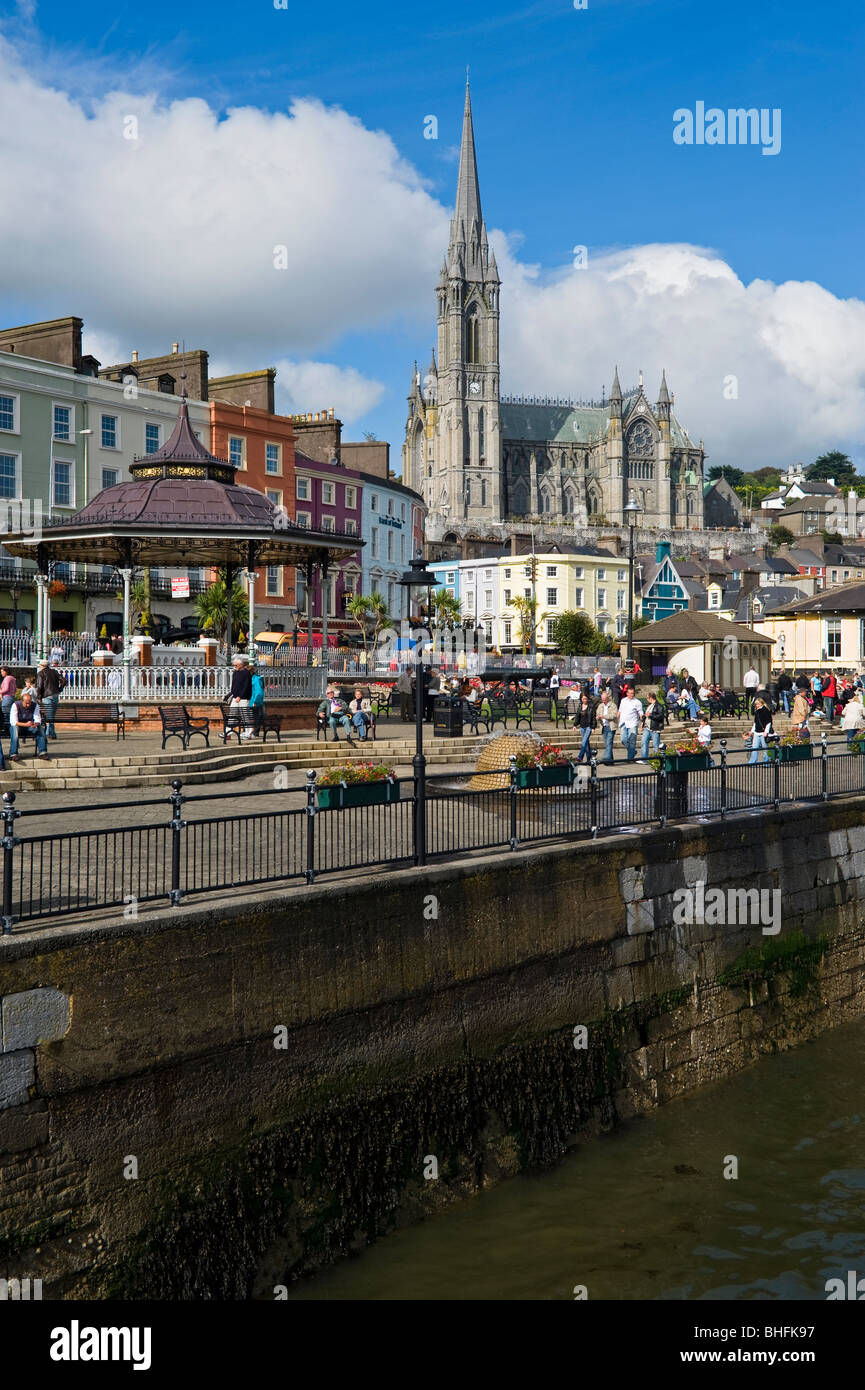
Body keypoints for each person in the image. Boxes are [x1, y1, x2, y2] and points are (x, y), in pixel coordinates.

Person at [9, 691, 48, 761]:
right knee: (14, 729)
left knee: (39, 729)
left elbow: (37, 718)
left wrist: (35, 723)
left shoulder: (35, 705)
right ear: (22, 701)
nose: (28, 704)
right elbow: (13, 722)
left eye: (29, 702)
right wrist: (25, 724)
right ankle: (13, 753)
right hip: (19, 727)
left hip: (29, 726)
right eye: (26, 703)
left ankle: (42, 752)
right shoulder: (15, 705)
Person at [35, 658, 65, 741]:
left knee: (49, 716)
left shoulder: (41, 673)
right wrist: (60, 689)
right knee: (51, 715)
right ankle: (50, 732)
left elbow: (39, 686)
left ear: (42, 666)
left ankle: (50, 733)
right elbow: (64, 680)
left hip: (47, 696)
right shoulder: (54, 672)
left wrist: (39, 697)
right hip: (55, 695)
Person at [618, 685, 643, 763]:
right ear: (627, 693)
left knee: (632, 741)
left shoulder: (637, 702)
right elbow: (620, 711)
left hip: (632, 723)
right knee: (623, 740)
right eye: (630, 693)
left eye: (633, 693)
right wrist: (616, 719)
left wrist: (642, 720)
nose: (631, 695)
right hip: (623, 723)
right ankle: (632, 751)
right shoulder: (623, 700)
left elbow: (640, 712)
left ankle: (630, 758)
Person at [745, 696, 774, 764]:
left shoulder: (766, 710)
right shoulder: (757, 711)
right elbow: (756, 723)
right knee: (754, 748)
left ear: (761, 703)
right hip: (757, 732)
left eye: (758, 704)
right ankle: (752, 762)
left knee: (765, 749)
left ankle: (766, 762)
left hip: (763, 732)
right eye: (756, 704)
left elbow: (768, 722)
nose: (756, 706)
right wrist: (752, 731)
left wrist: (766, 732)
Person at [638, 692, 665, 762]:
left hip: (655, 729)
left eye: (647, 698)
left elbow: (661, 716)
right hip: (647, 728)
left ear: (650, 698)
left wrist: (650, 715)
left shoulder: (659, 706)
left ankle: (656, 760)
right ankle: (644, 759)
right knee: (644, 743)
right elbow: (646, 715)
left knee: (655, 745)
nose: (647, 700)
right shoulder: (649, 706)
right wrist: (642, 723)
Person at [596, 688, 618, 764]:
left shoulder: (613, 705)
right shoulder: (600, 706)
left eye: (604, 699)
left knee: (608, 743)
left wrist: (604, 716)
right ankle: (611, 761)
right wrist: (598, 717)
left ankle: (606, 760)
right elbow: (598, 713)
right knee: (607, 744)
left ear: (608, 698)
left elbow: (614, 715)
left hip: (611, 727)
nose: (603, 701)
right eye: (602, 699)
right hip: (604, 727)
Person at [573, 692, 596, 763]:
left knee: (584, 742)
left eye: (586, 699)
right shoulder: (580, 706)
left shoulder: (591, 707)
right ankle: (589, 758)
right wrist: (575, 725)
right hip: (582, 727)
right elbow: (577, 717)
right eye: (583, 699)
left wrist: (593, 727)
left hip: (588, 727)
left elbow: (593, 717)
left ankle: (580, 757)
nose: (585, 700)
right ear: (581, 699)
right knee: (586, 743)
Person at [245, 661, 265, 738]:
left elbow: (259, 692)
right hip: (252, 700)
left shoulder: (256, 679)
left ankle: (255, 733)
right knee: (254, 717)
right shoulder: (252, 679)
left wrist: (256, 701)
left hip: (255, 701)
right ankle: (252, 732)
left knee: (256, 717)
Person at [0, 667, 15, 731]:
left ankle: (6, 728)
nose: (1, 673)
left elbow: (6, 689)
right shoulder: (12, 678)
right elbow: (14, 689)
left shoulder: (7, 678)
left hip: (6, 697)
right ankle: (9, 728)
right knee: (9, 713)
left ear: (6, 671)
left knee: (5, 713)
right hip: (11, 697)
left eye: (2, 672)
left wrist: (0, 691)